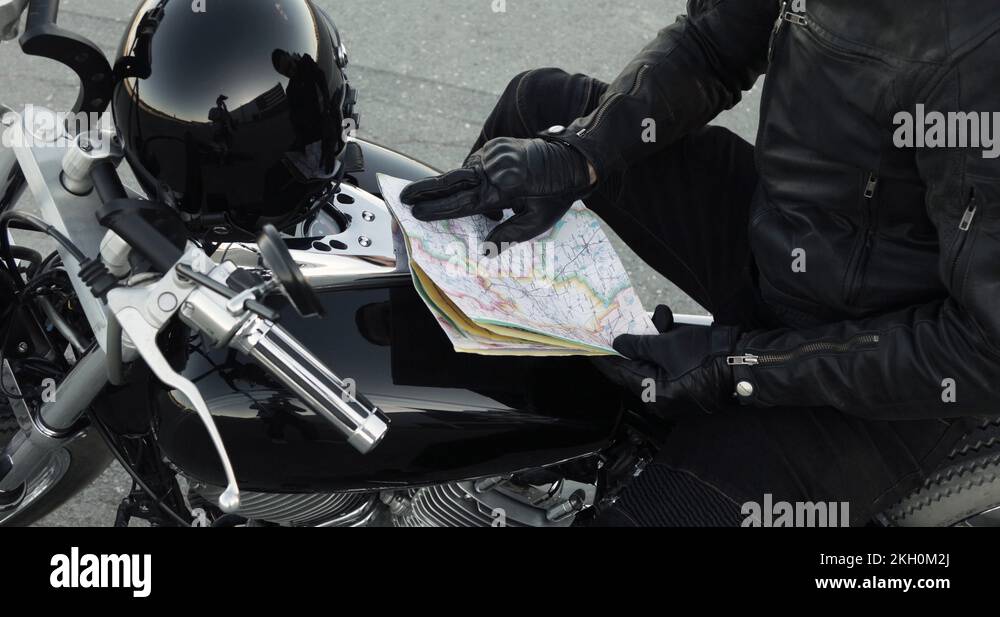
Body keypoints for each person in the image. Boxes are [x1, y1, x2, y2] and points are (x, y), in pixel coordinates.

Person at [401, 0, 1000, 526]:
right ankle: (457, 415)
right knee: (539, 108)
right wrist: (580, 154)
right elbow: (712, 44)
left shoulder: (982, 55)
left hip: (889, 374)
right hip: (784, 244)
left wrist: (732, 365)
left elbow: (985, 351)